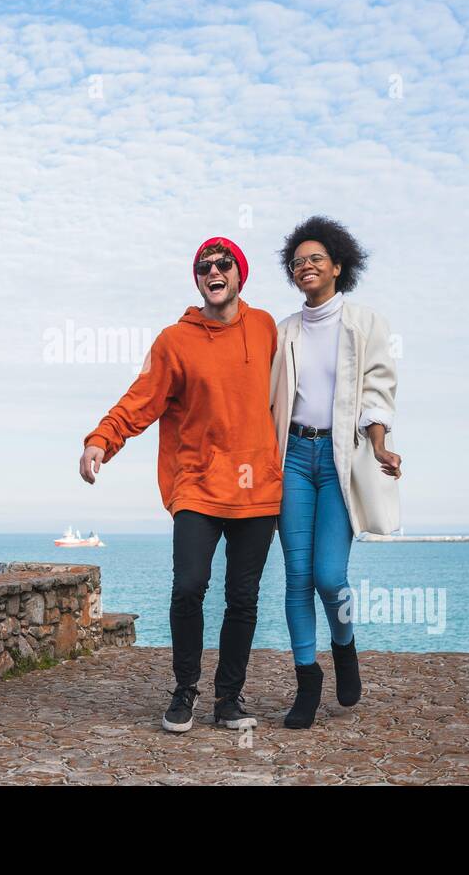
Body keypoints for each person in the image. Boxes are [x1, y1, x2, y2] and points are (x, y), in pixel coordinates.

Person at [79, 237, 281, 733]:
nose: (213, 271)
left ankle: (229, 698)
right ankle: (185, 688)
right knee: (189, 587)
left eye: (223, 264)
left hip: (258, 488)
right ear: (198, 280)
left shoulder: (266, 327)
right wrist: (101, 440)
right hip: (195, 484)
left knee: (243, 597)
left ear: (240, 274)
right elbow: (140, 399)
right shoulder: (175, 340)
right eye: (203, 267)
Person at [269, 216, 402, 729]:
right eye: (298, 261)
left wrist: (380, 444)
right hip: (294, 459)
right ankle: (307, 679)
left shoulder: (367, 324)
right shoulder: (283, 332)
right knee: (297, 578)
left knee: (330, 576)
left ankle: (343, 647)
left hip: (341, 458)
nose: (305, 266)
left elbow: (378, 390)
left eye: (315, 259)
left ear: (338, 266)